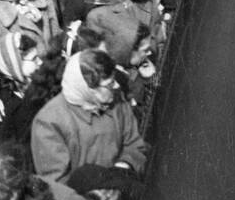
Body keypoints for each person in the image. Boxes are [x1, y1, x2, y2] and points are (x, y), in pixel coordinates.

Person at [31, 50, 149, 184]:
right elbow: (58, 185)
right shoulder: (48, 123)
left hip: (125, 184)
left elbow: (135, 143)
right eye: (109, 84)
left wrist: (125, 165)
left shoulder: (114, 95)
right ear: (88, 90)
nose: (116, 85)